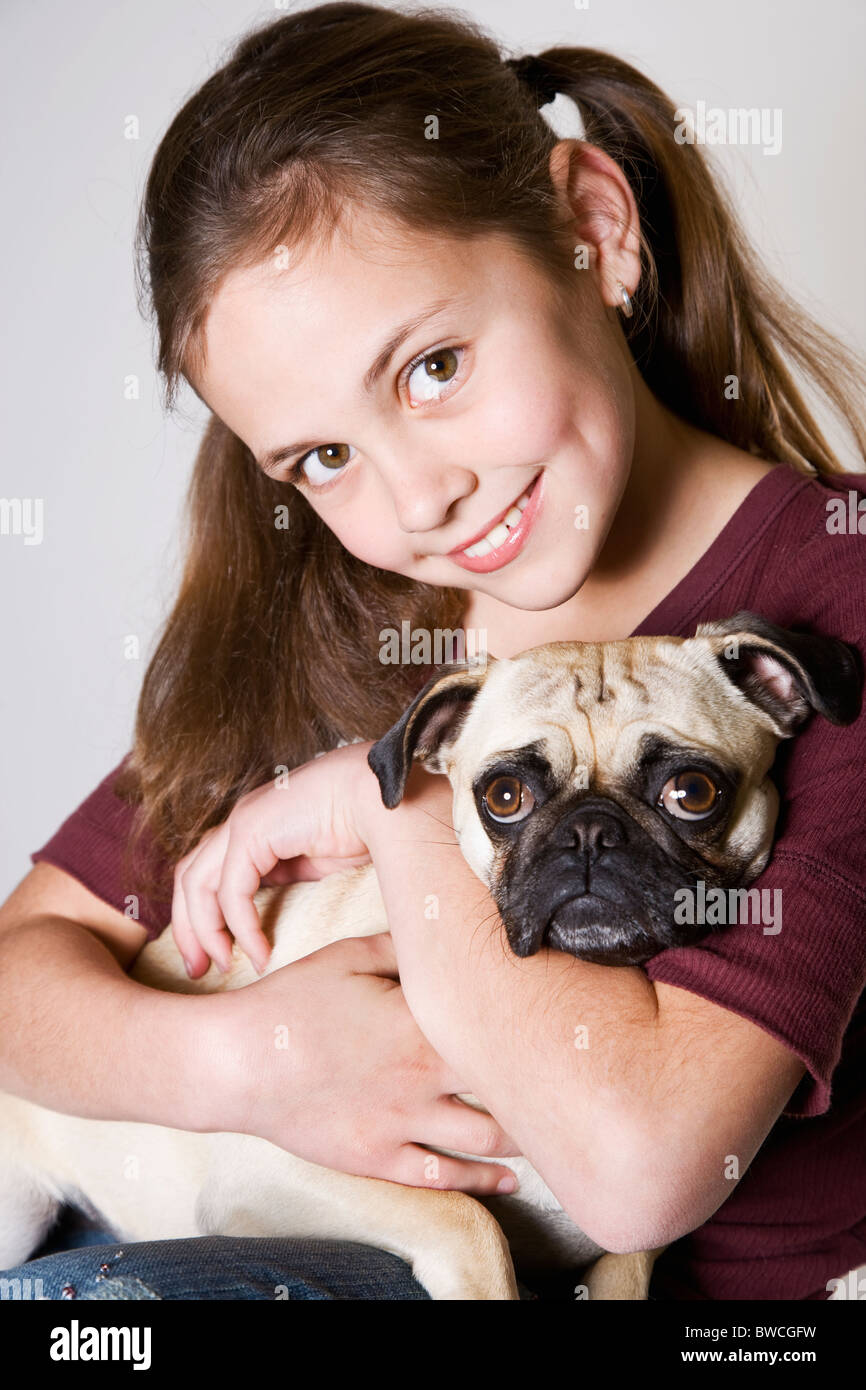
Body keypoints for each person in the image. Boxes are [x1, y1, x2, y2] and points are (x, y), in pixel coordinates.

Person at [1, 1, 864, 1302]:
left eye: (432, 365)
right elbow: (21, 974)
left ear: (593, 228)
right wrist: (259, 1062)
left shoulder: (832, 597)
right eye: (323, 457)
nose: (415, 501)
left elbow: (640, 1167)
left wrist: (381, 794)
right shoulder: (347, 623)